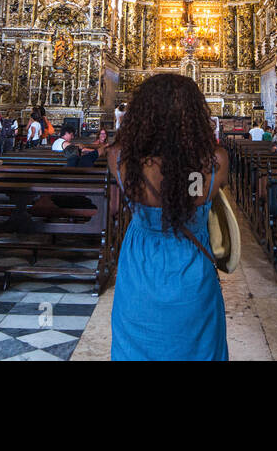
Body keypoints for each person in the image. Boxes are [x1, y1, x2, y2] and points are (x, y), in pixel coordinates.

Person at [108, 72, 228, 360]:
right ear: (194, 113)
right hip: (191, 267)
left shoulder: (120, 158)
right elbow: (192, 189)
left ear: (142, 112)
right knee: (198, 348)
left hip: (141, 265)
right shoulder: (215, 161)